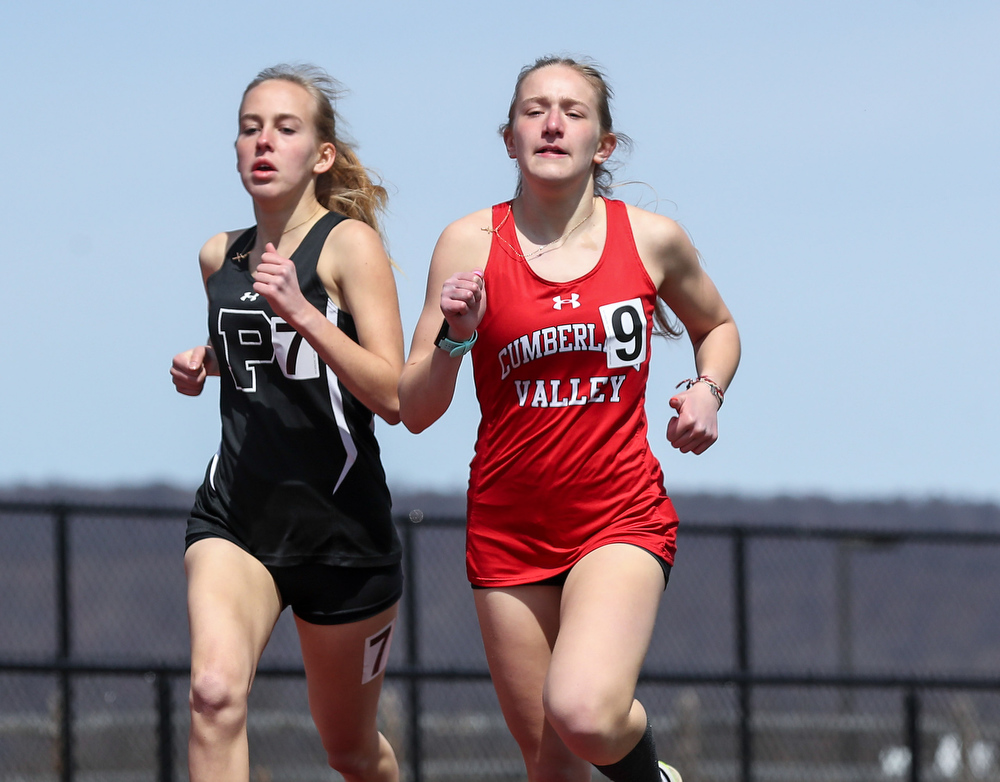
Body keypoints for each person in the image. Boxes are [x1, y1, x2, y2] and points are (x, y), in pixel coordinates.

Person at [398, 56, 740, 782]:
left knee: (583, 712)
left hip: (617, 516)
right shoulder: (469, 245)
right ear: (509, 137)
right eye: (534, 109)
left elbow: (719, 327)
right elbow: (416, 409)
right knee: (551, 765)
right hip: (509, 530)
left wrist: (708, 390)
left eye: (573, 111)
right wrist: (457, 337)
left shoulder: (651, 239)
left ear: (603, 144)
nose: (552, 123)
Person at [170, 64, 404, 782]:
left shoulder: (348, 247)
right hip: (235, 519)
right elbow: (261, 356)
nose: (263, 143)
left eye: (285, 128)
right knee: (213, 695)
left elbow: (393, 393)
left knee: (351, 753)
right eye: (249, 128)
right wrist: (204, 361)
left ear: (321, 155)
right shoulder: (221, 255)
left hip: (341, 534)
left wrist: (301, 311)